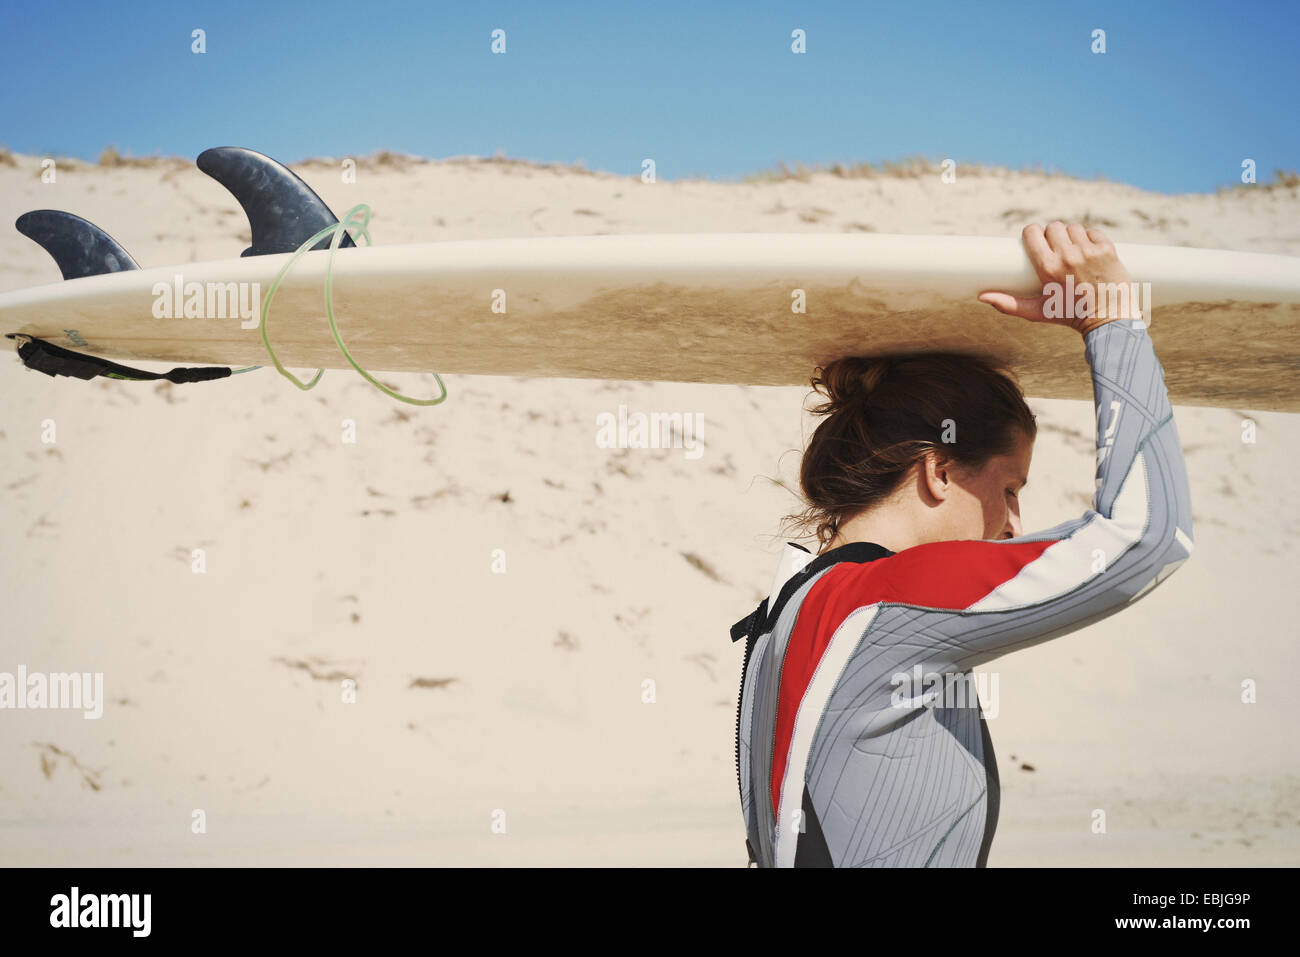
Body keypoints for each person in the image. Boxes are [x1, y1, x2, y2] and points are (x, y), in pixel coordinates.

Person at [731, 222, 1194, 867]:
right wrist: (1111, 325)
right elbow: (1146, 538)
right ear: (940, 470)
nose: (1011, 525)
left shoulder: (794, 607)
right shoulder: (883, 601)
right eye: (1008, 489)